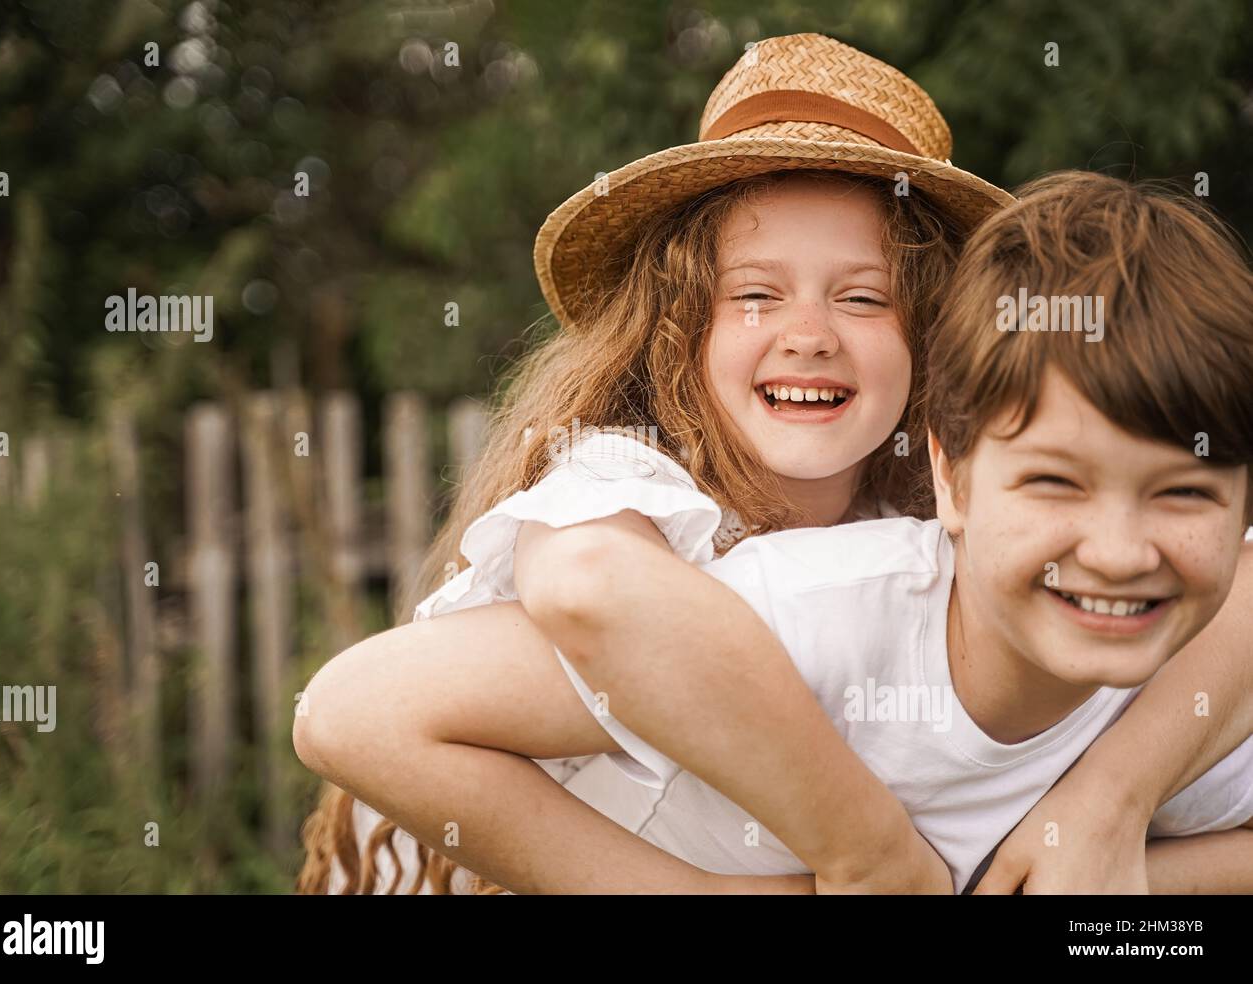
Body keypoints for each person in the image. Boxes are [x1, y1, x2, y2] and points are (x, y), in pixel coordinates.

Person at [296, 37, 1253, 895]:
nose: (808, 335)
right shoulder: (627, 481)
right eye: (754, 294)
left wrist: (1109, 800)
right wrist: (868, 854)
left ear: (933, 340)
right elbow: (593, 586)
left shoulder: (937, 506)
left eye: (865, 299)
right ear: (680, 325)